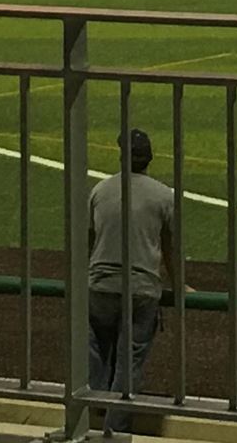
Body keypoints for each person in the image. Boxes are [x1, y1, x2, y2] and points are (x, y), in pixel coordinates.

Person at [84, 129, 177, 435]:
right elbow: (169, 247)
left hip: (99, 285)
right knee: (129, 361)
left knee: (95, 347)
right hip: (141, 288)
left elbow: (89, 242)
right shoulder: (165, 195)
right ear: (150, 159)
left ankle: (94, 406)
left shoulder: (100, 190)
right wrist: (179, 283)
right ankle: (114, 429)